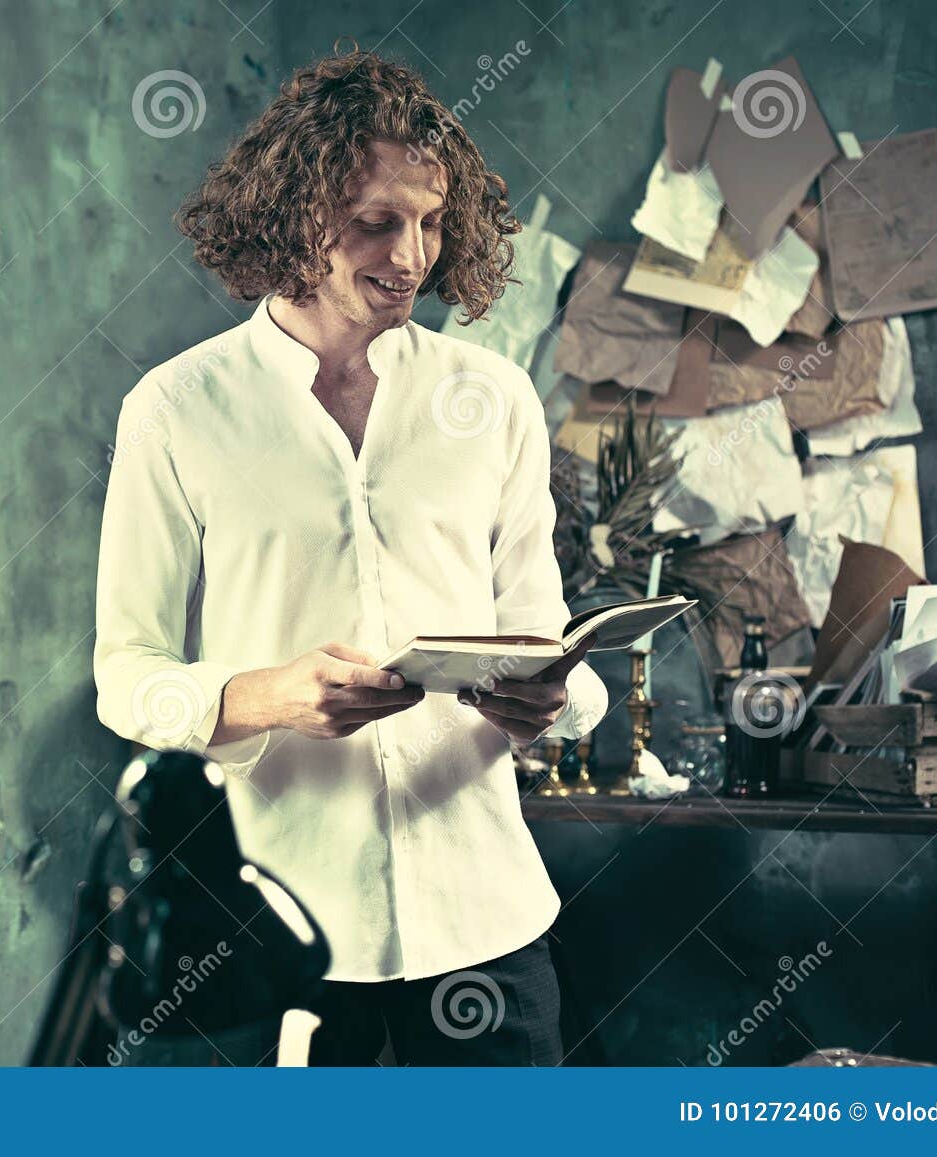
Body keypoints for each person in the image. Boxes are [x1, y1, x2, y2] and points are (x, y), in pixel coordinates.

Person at [93, 49, 607, 1066]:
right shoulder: (175, 409)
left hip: (484, 930)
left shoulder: (493, 398)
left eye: (428, 219)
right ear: (292, 213)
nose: (411, 253)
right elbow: (125, 676)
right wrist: (272, 694)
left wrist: (552, 696)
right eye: (376, 219)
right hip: (280, 937)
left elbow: (550, 643)